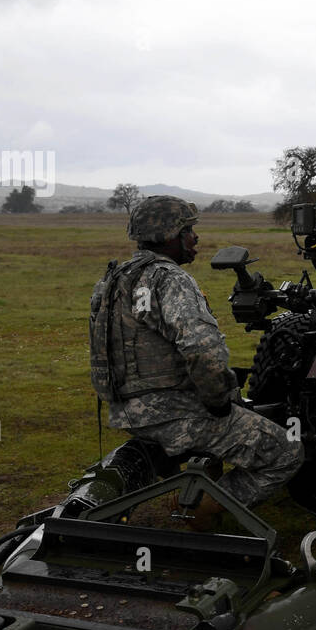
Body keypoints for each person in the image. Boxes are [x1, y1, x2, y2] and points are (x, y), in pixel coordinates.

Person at [89, 195, 303, 520]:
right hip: (176, 413)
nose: (195, 238)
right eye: (188, 230)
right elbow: (204, 351)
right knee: (286, 451)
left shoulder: (112, 280)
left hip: (126, 410)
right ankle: (204, 510)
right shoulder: (170, 280)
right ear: (169, 236)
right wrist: (220, 402)